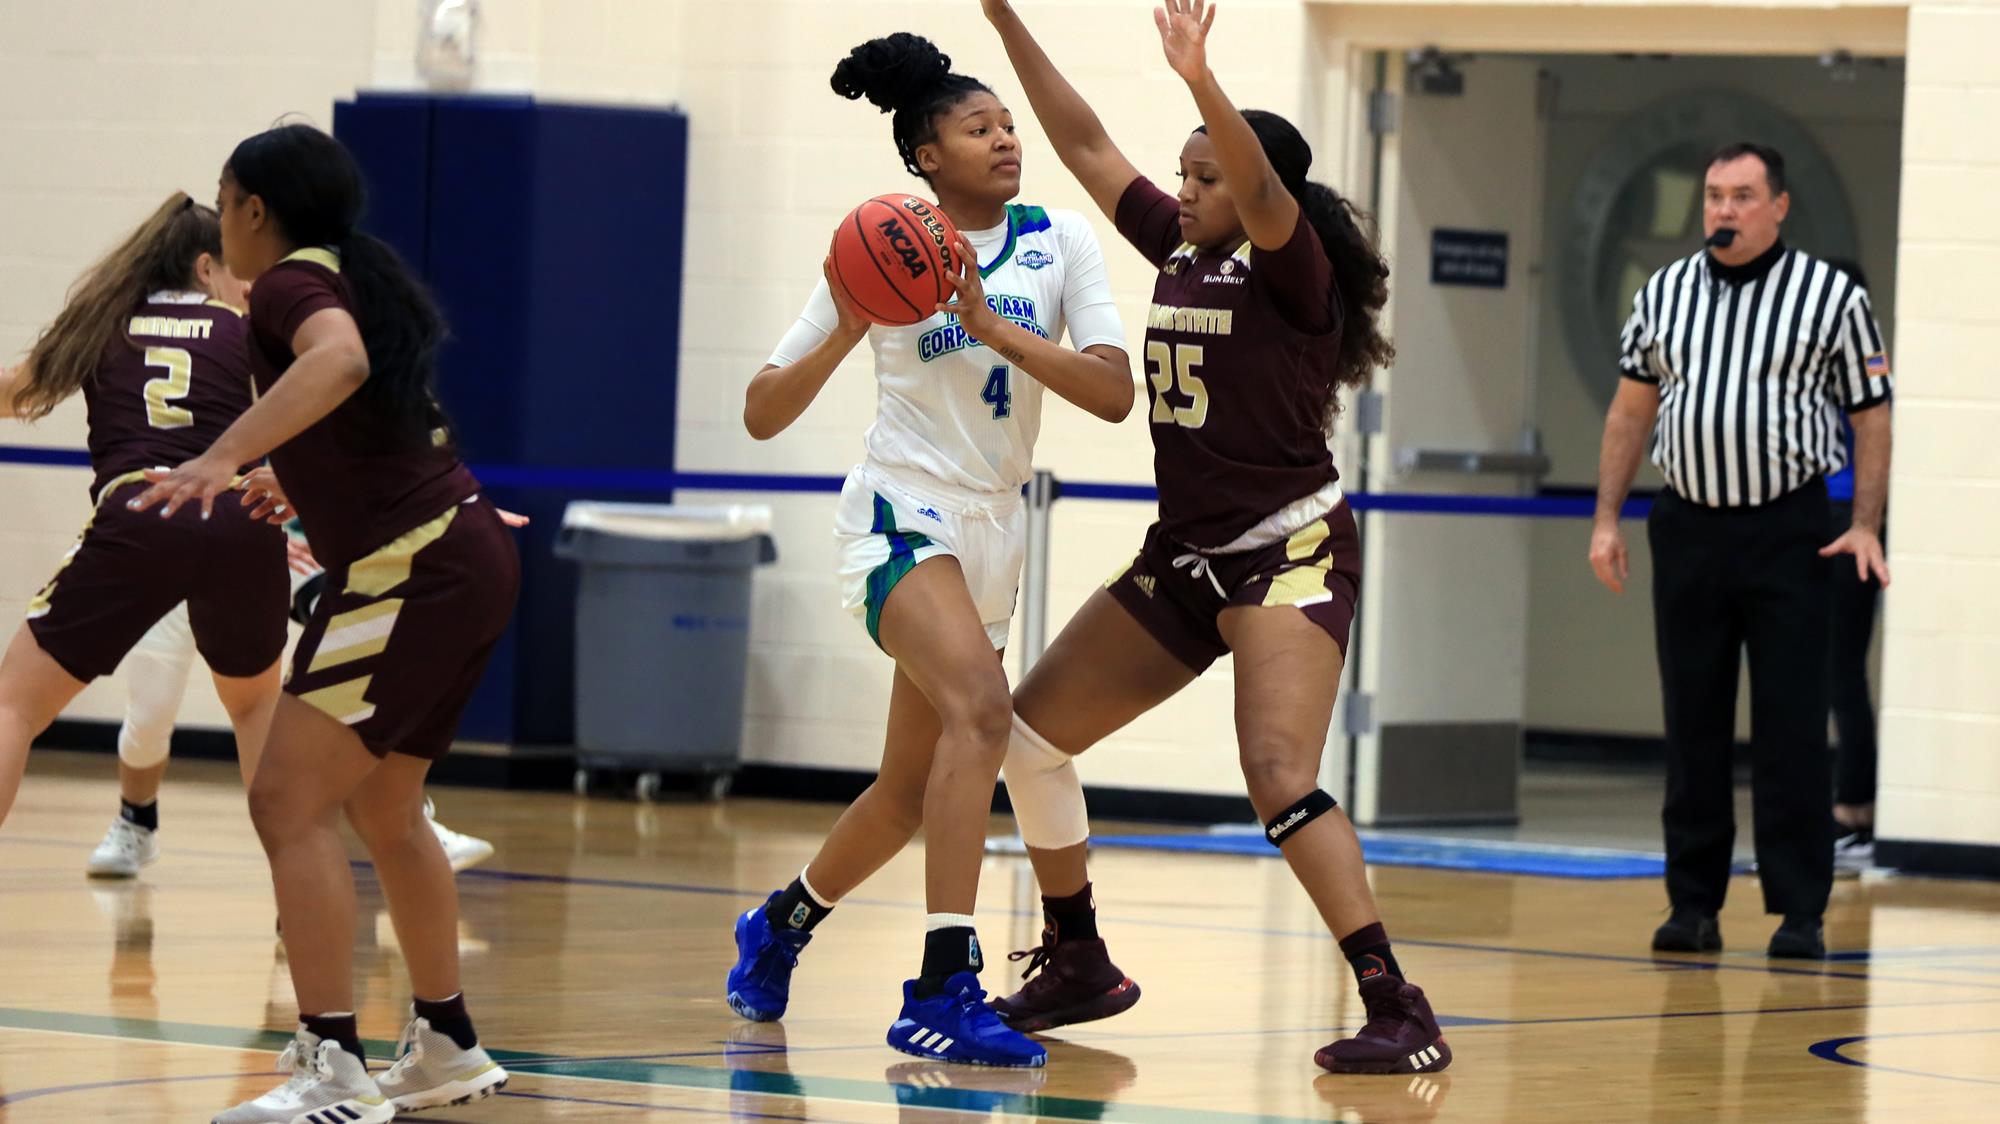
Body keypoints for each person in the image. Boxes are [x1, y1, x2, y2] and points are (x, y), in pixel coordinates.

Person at [977, 0, 1449, 1075]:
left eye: (1202, 177)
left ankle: (1396, 1001)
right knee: (1027, 734)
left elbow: (1266, 187)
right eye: (1182, 176)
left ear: (1250, 190)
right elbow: (1086, 143)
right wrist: (1006, 21)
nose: (1181, 191)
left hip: (1286, 548)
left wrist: (1200, 77)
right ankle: (1076, 952)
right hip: (1185, 555)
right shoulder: (1180, 244)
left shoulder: (1289, 270)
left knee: (1276, 769)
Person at [728, 32, 1133, 1069]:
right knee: (983, 714)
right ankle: (941, 985)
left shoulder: (1059, 240)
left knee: (908, 789)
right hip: (900, 514)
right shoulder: (875, 239)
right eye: (978, 127)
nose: (1004, 139)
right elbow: (760, 415)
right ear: (925, 155)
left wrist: (990, 324)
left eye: (1006, 124)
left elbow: (1108, 390)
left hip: (994, 524)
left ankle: (780, 921)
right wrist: (840, 325)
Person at [134, 124, 519, 1124]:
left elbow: (338, 366)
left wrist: (222, 455)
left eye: (225, 204)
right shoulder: (352, 270)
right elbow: (376, 422)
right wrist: (285, 478)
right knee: (388, 808)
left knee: (285, 800)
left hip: (415, 564)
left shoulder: (286, 287)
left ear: (254, 208)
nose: (222, 224)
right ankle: (443, 1039)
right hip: (461, 547)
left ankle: (332, 1062)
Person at [1588, 142, 1892, 960]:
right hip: (1689, 526)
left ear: (1779, 206)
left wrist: (1864, 522)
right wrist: (1607, 518)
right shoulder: (1665, 291)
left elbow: (1871, 415)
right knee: (1693, 724)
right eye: (1715, 196)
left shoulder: (1830, 297)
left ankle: (1800, 912)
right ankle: (1693, 906)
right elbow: (1629, 413)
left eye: (1743, 196)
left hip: (1790, 529)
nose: (1724, 209)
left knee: (1791, 726)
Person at [0, 193, 286, 835]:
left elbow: (14, 394)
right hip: (243, 515)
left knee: (14, 705)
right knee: (257, 710)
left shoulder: (108, 324)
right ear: (206, 268)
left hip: (143, 510)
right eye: (240, 271)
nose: (249, 285)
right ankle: (296, 909)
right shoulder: (251, 332)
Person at [84, 528, 497, 879]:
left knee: (349, 646)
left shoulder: (288, 441)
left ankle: (406, 820)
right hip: (181, 556)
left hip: (266, 547)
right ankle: (135, 820)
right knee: (148, 718)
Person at [1819, 258, 1884, 874]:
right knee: (1833, 670)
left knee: (1840, 670)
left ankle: (1854, 811)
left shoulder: (1856, 362)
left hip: (1847, 523)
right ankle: (1848, 810)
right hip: (1819, 520)